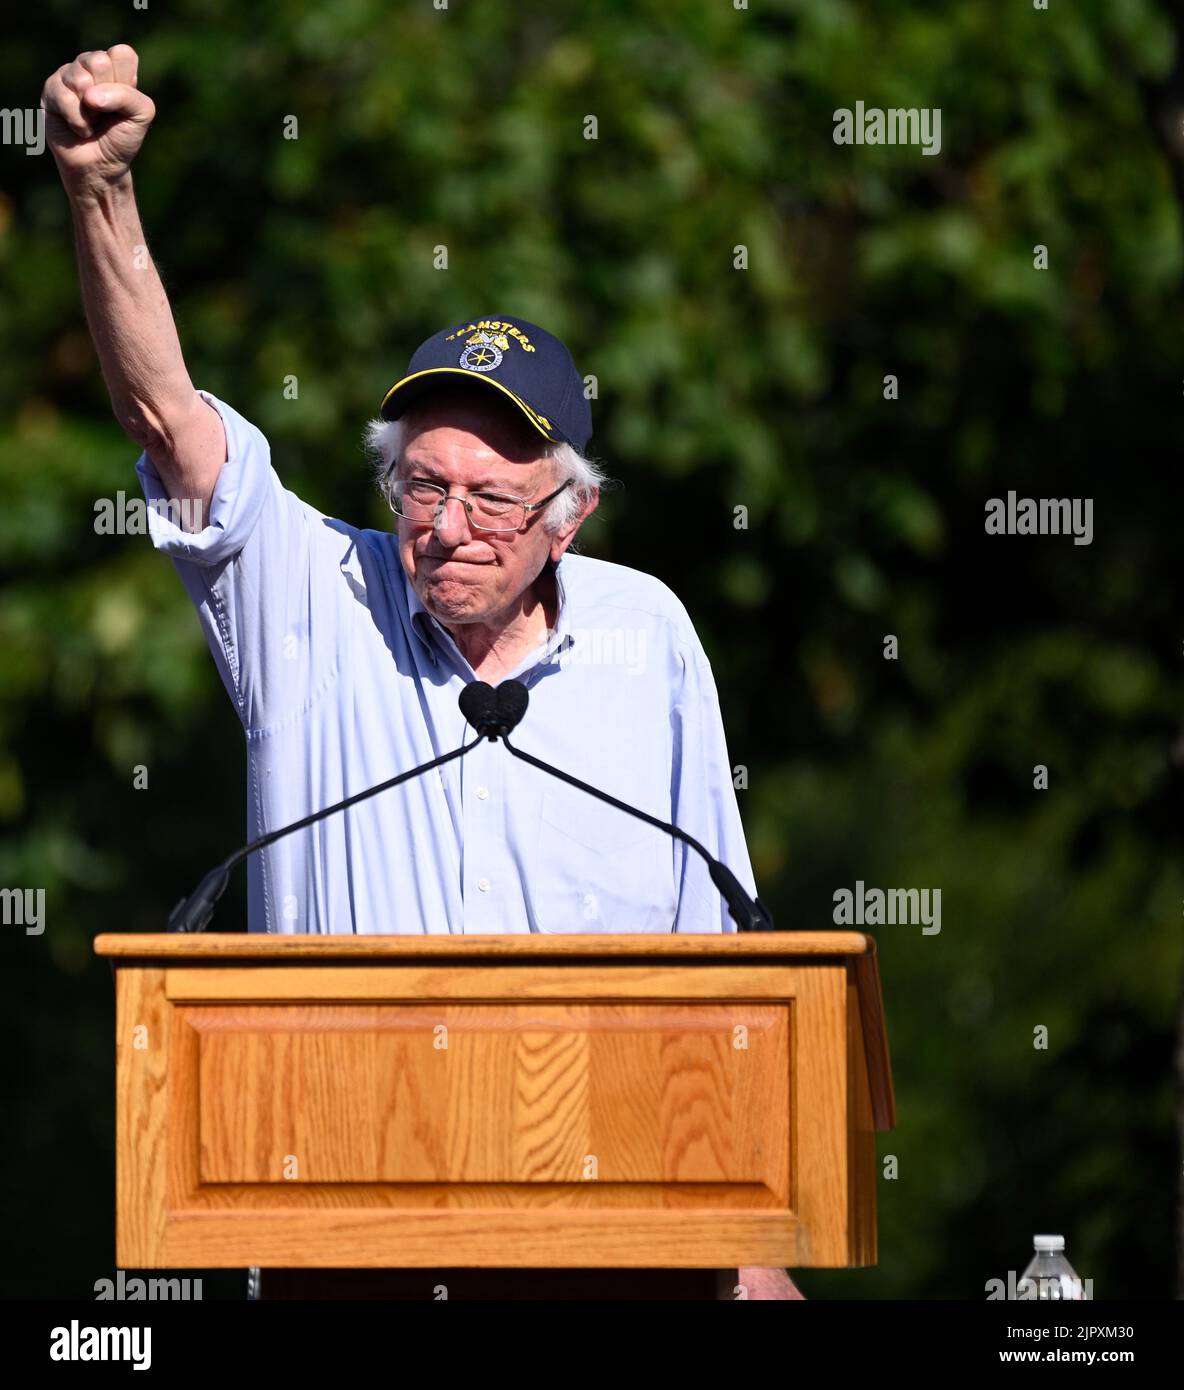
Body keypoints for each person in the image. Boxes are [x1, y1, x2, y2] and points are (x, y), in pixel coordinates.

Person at [43, 42, 803, 1300]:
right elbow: (167, 422)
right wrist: (100, 191)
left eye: (491, 497)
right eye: (421, 484)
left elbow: (717, 956)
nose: (445, 525)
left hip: (604, 1239)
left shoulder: (648, 634)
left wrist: (751, 1249)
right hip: (349, 1232)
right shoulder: (313, 597)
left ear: (569, 516)